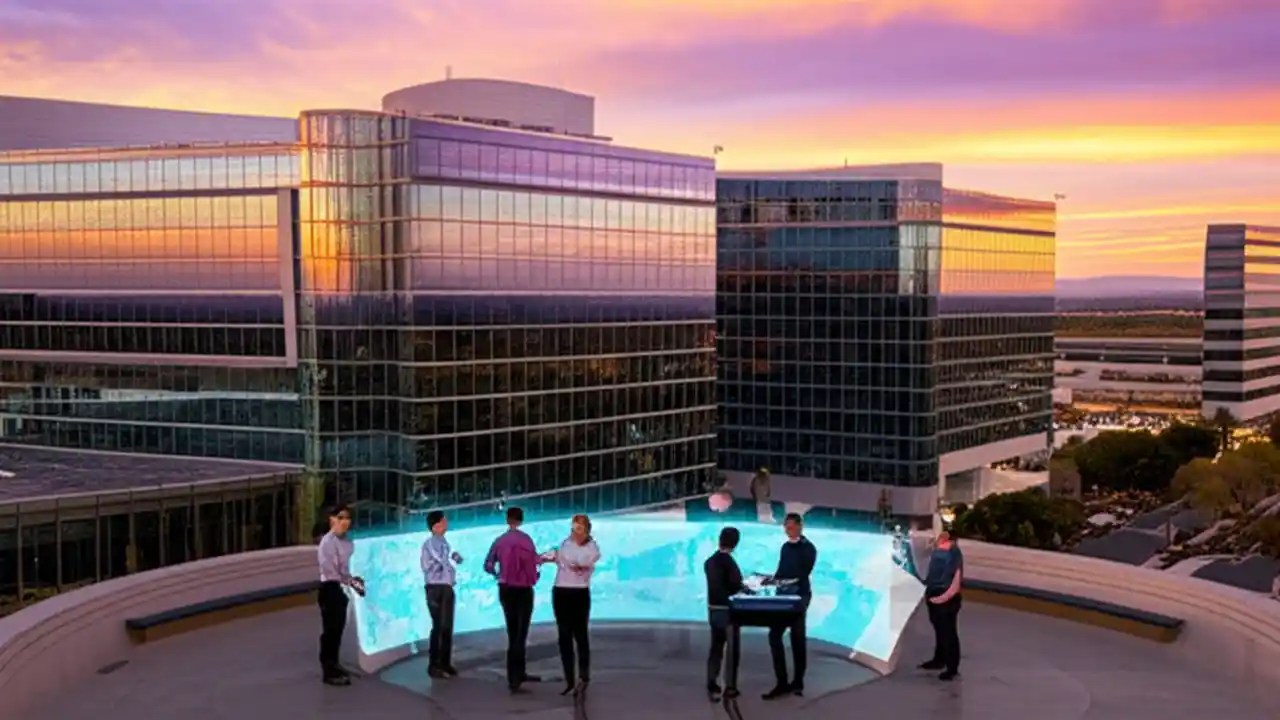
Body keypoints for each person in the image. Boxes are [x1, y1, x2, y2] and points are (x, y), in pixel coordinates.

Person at [541, 514, 601, 696]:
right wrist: (550, 557)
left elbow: (581, 564)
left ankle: (584, 675)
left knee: (580, 634)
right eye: (574, 528)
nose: (576, 532)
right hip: (561, 591)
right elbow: (557, 557)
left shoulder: (592, 548)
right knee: (564, 635)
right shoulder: (565, 544)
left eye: (579, 529)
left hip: (579, 593)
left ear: (587, 530)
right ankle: (569, 678)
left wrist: (562, 558)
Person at [484, 506, 542, 693]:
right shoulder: (526, 541)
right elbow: (532, 566)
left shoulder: (500, 541)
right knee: (521, 632)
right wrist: (535, 577)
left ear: (507, 520)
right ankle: (517, 675)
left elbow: (488, 564)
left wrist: (498, 574)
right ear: (521, 520)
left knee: (512, 631)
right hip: (524, 590)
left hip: (506, 588)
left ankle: (515, 674)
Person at [763, 512, 817, 700]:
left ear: (800, 527)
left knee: (797, 638)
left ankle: (798, 681)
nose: (788, 529)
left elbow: (802, 573)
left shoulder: (808, 548)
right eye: (786, 526)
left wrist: (785, 581)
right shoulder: (785, 547)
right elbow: (782, 570)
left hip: (798, 596)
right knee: (774, 636)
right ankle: (782, 682)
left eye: (791, 526)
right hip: (783, 595)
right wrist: (771, 580)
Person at [317, 503, 365, 686]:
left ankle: (334, 663)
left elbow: (345, 572)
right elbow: (332, 572)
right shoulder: (327, 543)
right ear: (332, 520)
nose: (345, 522)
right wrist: (350, 582)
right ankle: (328, 670)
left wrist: (353, 582)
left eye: (347, 518)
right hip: (330, 588)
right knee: (330, 631)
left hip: (340, 589)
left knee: (338, 630)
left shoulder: (347, 542)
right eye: (341, 518)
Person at [704, 526, 748, 702]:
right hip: (728, 610)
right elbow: (736, 584)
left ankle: (712, 683)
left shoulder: (709, 561)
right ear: (735, 543)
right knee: (731, 650)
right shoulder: (729, 562)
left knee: (716, 648)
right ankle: (730, 687)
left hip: (713, 609)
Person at [421, 510, 463, 679]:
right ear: (435, 525)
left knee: (447, 626)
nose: (446, 523)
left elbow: (448, 554)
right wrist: (448, 566)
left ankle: (445, 662)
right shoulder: (429, 543)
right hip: (435, 587)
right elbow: (435, 561)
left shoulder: (444, 542)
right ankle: (434, 664)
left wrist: (455, 557)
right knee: (439, 625)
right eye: (444, 521)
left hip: (446, 586)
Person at [919, 530, 963, 680]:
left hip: (946, 598)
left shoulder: (953, 553)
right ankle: (939, 659)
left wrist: (944, 597)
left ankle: (952, 667)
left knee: (948, 632)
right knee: (939, 630)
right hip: (934, 594)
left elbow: (956, 579)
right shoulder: (936, 551)